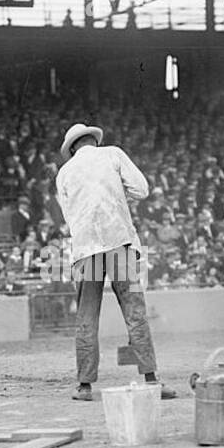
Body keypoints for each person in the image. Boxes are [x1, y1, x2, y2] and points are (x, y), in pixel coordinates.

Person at [55, 123, 176, 400]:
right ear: (92, 141)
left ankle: (84, 386)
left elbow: (67, 215)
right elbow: (142, 190)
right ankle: (151, 378)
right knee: (135, 311)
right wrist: (119, 197)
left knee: (86, 317)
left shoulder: (64, 173)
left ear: (72, 147)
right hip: (118, 243)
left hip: (85, 251)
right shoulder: (112, 154)